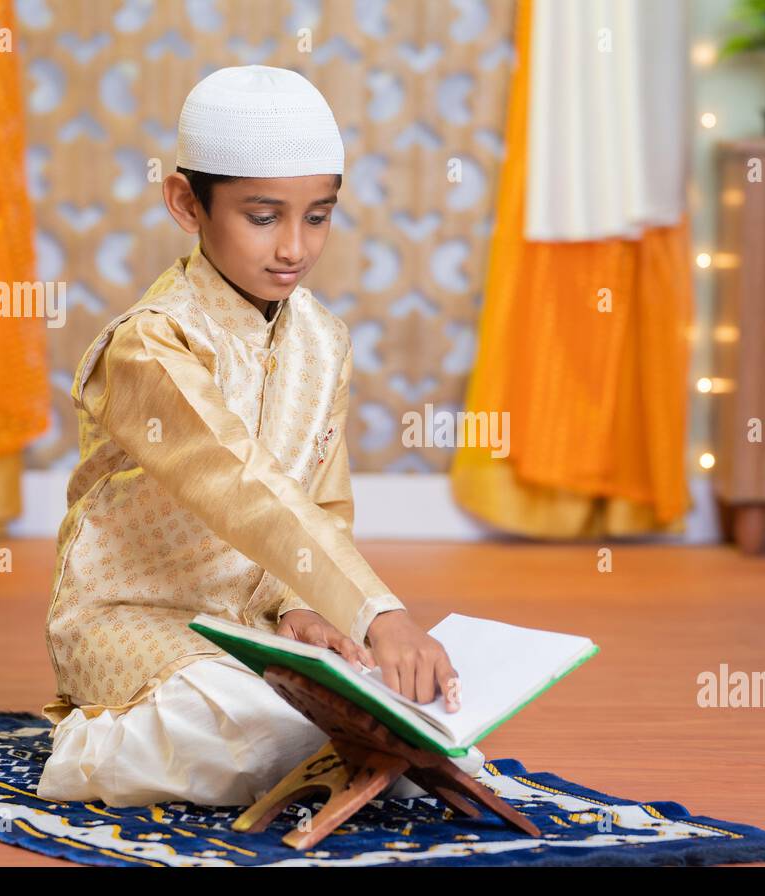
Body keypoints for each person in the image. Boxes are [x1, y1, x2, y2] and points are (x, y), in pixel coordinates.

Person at [37, 65, 481, 808]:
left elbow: (320, 505)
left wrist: (307, 609)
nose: (295, 248)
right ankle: (88, 747)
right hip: (135, 617)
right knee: (261, 735)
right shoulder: (150, 344)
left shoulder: (323, 340)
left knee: (413, 722)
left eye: (319, 215)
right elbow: (242, 485)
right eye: (264, 215)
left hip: (260, 625)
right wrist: (380, 613)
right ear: (187, 203)